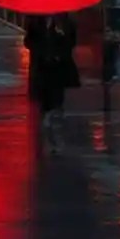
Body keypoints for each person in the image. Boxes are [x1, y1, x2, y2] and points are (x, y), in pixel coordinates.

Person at [32, 14, 80, 150]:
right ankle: (47, 120)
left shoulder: (67, 24)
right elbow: (29, 41)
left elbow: (72, 42)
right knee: (44, 96)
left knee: (57, 96)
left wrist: (61, 48)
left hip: (59, 67)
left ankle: (54, 119)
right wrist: (40, 51)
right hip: (43, 67)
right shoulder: (37, 22)